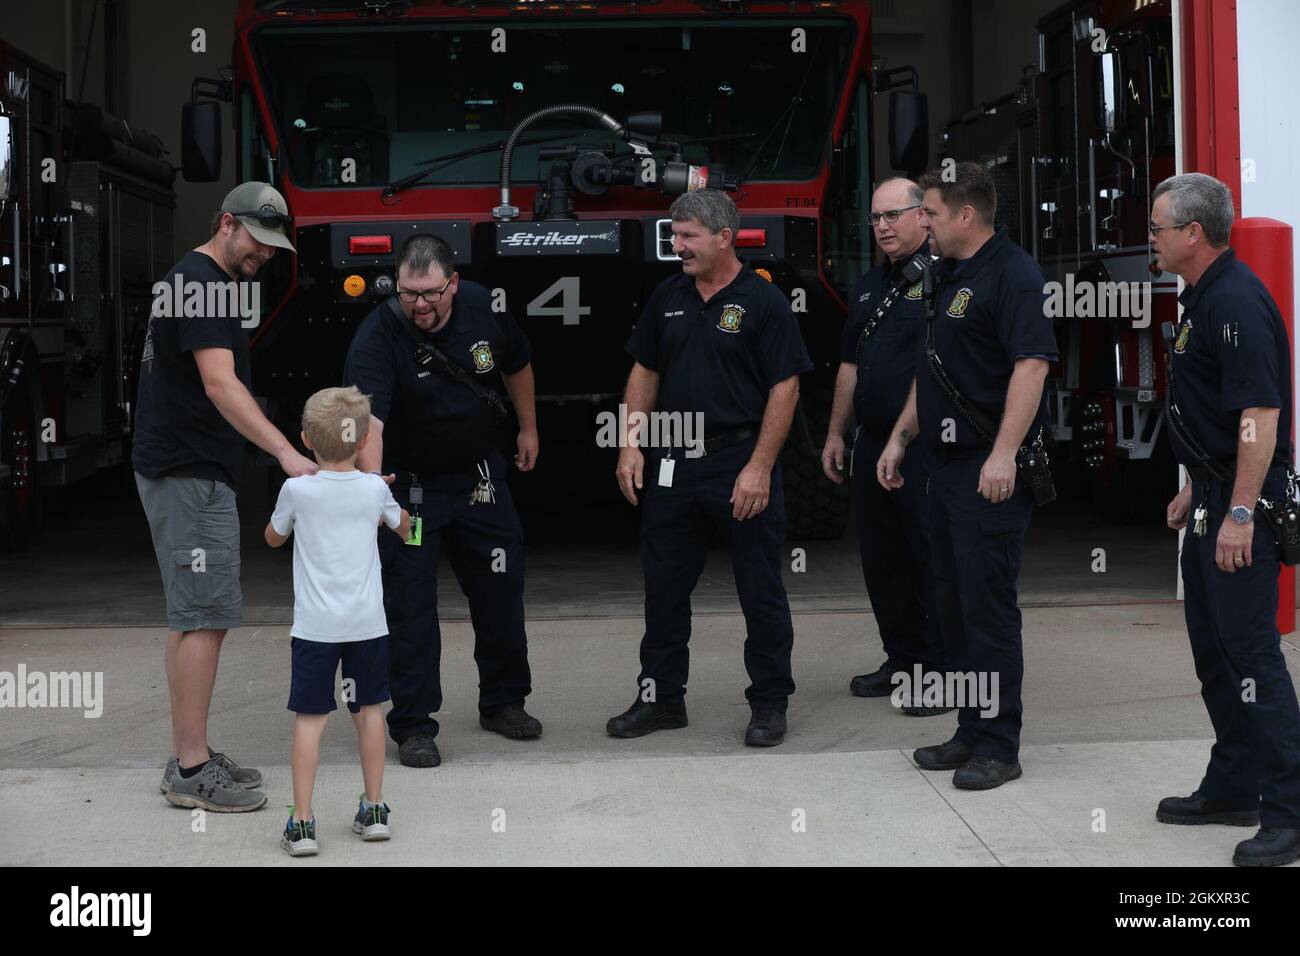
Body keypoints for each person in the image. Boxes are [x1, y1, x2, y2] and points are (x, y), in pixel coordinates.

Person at [134, 181, 316, 812]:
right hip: (188, 473)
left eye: (273, 246)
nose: (263, 255)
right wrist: (287, 454)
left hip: (181, 468)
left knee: (192, 616)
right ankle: (190, 770)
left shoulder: (190, 277)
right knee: (205, 617)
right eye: (256, 241)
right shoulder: (207, 284)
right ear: (226, 223)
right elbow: (220, 384)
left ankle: (191, 754)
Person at [607, 188, 812, 746]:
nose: (678, 246)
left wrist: (760, 468)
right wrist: (631, 446)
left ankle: (770, 703)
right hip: (674, 464)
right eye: (676, 236)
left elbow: (785, 388)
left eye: (689, 236)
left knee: (760, 590)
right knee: (664, 590)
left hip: (737, 462)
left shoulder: (764, 302)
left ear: (725, 238)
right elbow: (644, 372)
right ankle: (661, 700)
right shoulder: (667, 296)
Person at [877, 162, 1057, 789]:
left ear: (965, 215)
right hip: (944, 469)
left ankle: (999, 746)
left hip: (988, 470)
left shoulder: (1013, 273)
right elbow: (932, 370)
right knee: (950, 605)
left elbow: (1031, 367)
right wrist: (902, 436)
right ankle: (969, 728)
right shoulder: (943, 275)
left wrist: (1004, 454)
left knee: (986, 609)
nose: (918, 221)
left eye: (926, 211)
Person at [344, 233, 541, 769]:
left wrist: (528, 428)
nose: (420, 305)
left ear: (452, 283)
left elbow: (517, 363)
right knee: (410, 604)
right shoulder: (378, 334)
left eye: (431, 293)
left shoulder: (482, 306)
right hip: (411, 491)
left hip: (480, 479)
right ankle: (413, 724)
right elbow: (370, 423)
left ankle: (504, 702)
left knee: (501, 589)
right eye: (409, 293)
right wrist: (375, 492)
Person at [1154, 172, 1300, 867]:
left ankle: (1289, 811)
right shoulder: (1201, 298)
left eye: (1157, 228)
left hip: (1243, 503)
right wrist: (1196, 489)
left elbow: (1257, 417)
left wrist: (1239, 511)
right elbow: (1211, 410)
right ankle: (1235, 784)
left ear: (1193, 234)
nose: (1149, 239)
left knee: (1252, 658)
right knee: (1216, 655)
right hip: (1212, 496)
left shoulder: (1235, 299)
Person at [821, 177, 950, 715]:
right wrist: (834, 431)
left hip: (923, 446)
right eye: (875, 218)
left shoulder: (946, 281)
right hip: (872, 442)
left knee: (931, 558)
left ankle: (944, 673)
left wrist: (902, 436)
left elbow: (934, 369)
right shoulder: (870, 286)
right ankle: (904, 660)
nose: (882, 227)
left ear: (924, 216)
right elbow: (849, 365)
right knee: (883, 559)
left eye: (893, 215)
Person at [266, 386, 410, 857]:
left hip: (315, 629)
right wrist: (394, 507)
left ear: (306, 438)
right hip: (368, 626)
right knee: (369, 712)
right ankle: (374, 810)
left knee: (311, 719)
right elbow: (406, 530)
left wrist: (283, 522)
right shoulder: (374, 489)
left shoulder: (296, 489)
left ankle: (303, 823)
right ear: (365, 437)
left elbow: (272, 538)